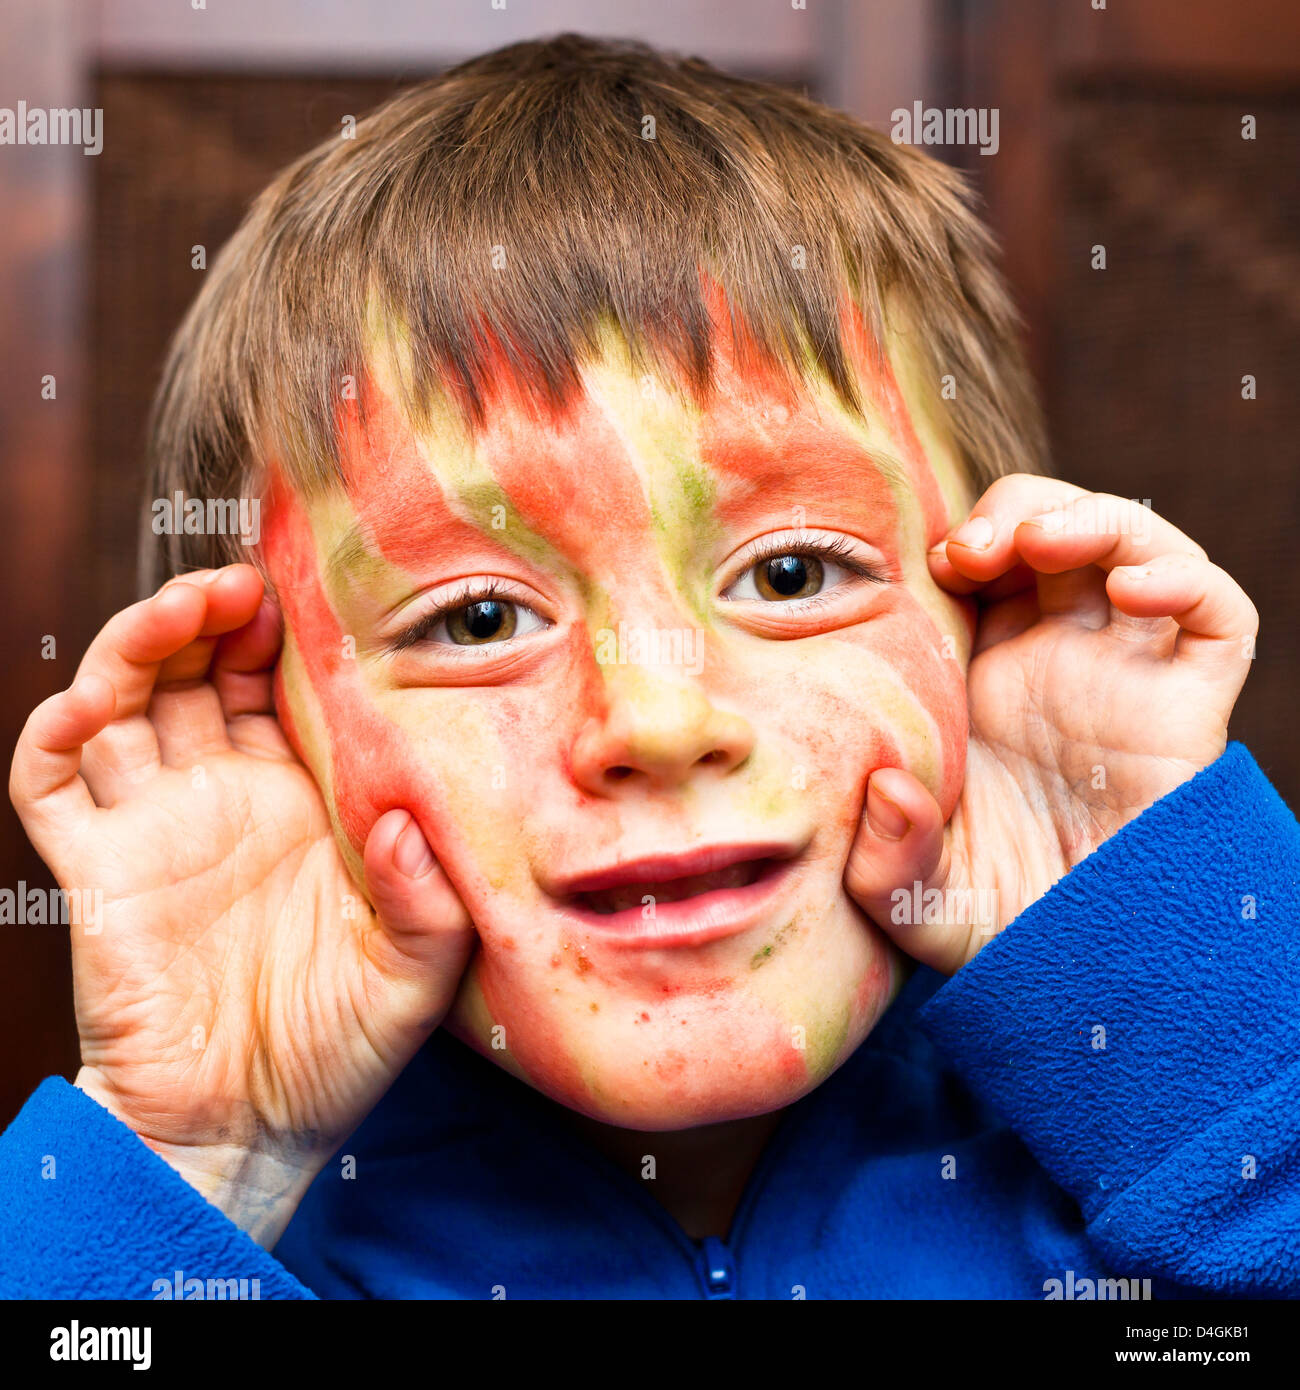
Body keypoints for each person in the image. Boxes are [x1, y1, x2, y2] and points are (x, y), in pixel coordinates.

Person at [4, 34, 1292, 1299]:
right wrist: (196, 1148)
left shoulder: (1160, 1144)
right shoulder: (211, 1248)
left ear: (995, 615)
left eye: (791, 574)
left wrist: (1165, 985)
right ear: (260, 738)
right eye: (474, 622)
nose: (660, 719)